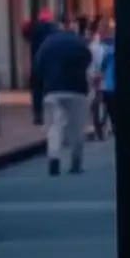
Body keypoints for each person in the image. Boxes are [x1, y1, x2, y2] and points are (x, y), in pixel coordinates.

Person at [34, 24, 93, 176]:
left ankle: (54, 158)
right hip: (77, 89)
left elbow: (38, 68)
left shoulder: (46, 44)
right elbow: (88, 60)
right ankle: (76, 163)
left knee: (54, 126)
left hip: (52, 89)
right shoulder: (79, 43)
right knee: (77, 128)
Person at [22, 8, 58, 125]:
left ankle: (38, 114)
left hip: (36, 62)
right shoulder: (53, 29)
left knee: (37, 90)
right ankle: (49, 114)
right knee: (49, 90)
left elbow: (25, 35)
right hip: (50, 64)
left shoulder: (34, 28)